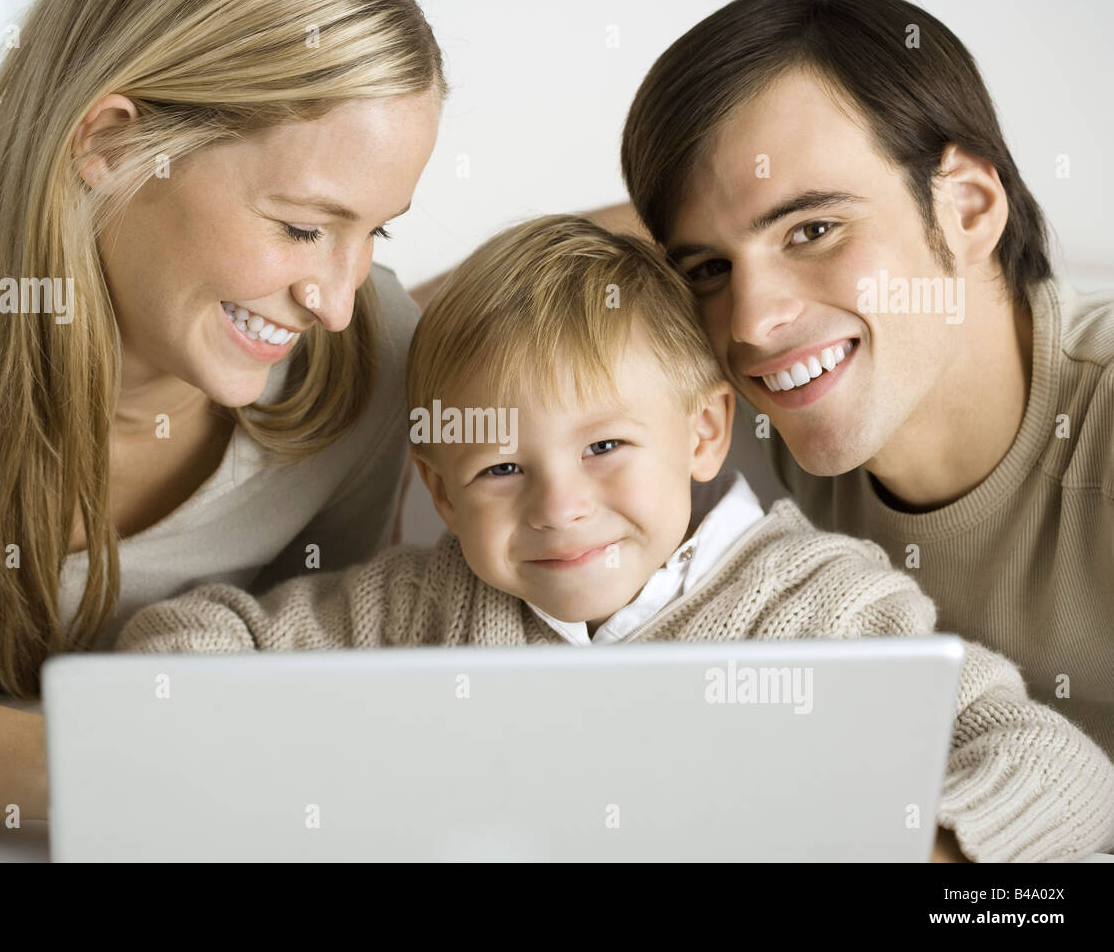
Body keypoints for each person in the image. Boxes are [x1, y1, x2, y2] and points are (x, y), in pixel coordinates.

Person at [116, 215, 1114, 862]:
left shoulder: (824, 603)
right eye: (500, 469)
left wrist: (924, 847)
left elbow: (1058, 767)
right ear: (441, 492)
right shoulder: (417, 606)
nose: (560, 506)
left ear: (703, 433)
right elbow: (190, 641)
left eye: (604, 447)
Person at [0, 0, 444, 821]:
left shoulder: (372, 362)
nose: (334, 303)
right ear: (110, 144)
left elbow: (299, 703)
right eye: (300, 229)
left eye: (376, 234)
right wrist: (105, 764)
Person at [614, 0, 1113, 760]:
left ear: (969, 208)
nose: (752, 323)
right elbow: (554, 273)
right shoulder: (753, 417)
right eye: (709, 267)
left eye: (813, 230)